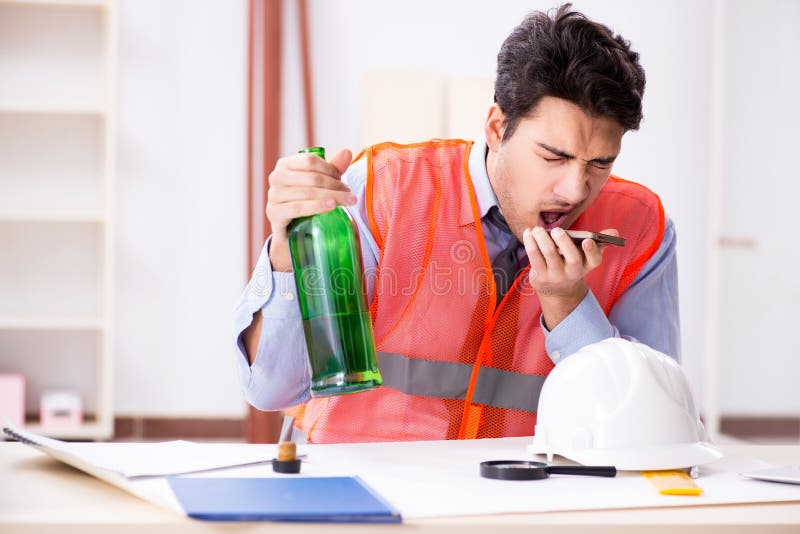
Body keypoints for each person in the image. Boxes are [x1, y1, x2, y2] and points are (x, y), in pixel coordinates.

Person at [233, 4, 680, 443]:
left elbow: (654, 425)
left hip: (527, 497)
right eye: (554, 156)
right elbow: (272, 390)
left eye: (600, 164)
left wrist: (568, 306)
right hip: (361, 484)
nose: (575, 190)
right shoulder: (381, 190)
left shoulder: (640, 231)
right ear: (496, 127)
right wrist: (284, 253)